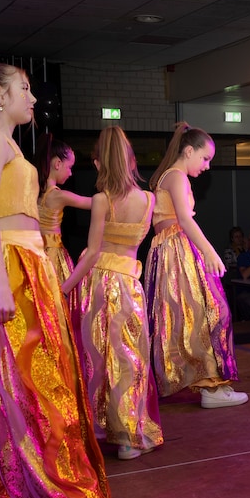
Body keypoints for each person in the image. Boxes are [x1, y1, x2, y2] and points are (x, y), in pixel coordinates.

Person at [0, 64, 138, 498]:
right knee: (42, 383)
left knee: (40, 381)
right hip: (13, 266)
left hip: (27, 264)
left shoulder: (4, 143)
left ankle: (46, 492)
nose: (33, 98)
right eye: (24, 89)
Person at [63, 127, 161, 462]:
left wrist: (64, 288)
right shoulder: (149, 200)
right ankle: (128, 436)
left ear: (100, 161)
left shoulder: (104, 199)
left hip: (99, 284)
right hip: (129, 283)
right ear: (131, 159)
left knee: (95, 358)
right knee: (129, 359)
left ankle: (98, 426)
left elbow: (91, 253)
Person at [146, 123, 243, 408]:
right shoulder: (176, 177)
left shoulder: (170, 176)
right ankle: (210, 386)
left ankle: (210, 383)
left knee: (194, 317)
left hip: (172, 250)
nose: (207, 166)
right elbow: (185, 220)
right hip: (177, 251)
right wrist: (210, 251)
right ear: (189, 151)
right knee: (207, 314)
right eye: (205, 158)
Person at [35, 136, 90, 311]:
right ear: (57, 164)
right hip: (52, 255)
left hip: (36, 251)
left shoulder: (36, 190)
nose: (71, 173)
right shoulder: (57, 195)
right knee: (56, 304)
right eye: (69, 167)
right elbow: (90, 203)